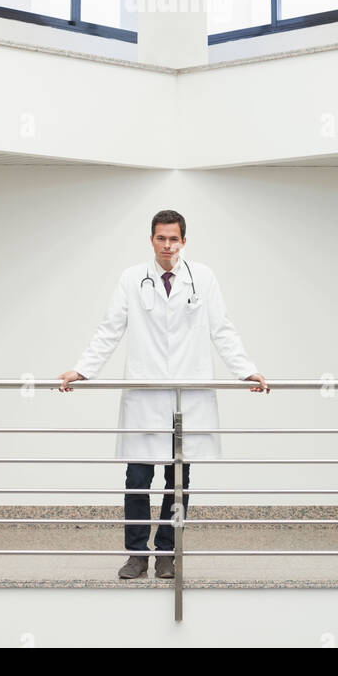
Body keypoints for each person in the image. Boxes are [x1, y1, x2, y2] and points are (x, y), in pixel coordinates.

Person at [59, 209, 268, 579]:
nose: (167, 245)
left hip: (188, 397)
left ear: (184, 241)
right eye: (161, 238)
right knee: (137, 480)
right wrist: (83, 369)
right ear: (151, 240)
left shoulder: (202, 278)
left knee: (179, 483)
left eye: (174, 239)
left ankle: (168, 552)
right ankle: (137, 554)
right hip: (145, 395)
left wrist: (246, 370)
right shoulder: (131, 279)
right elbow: (110, 329)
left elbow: (222, 329)